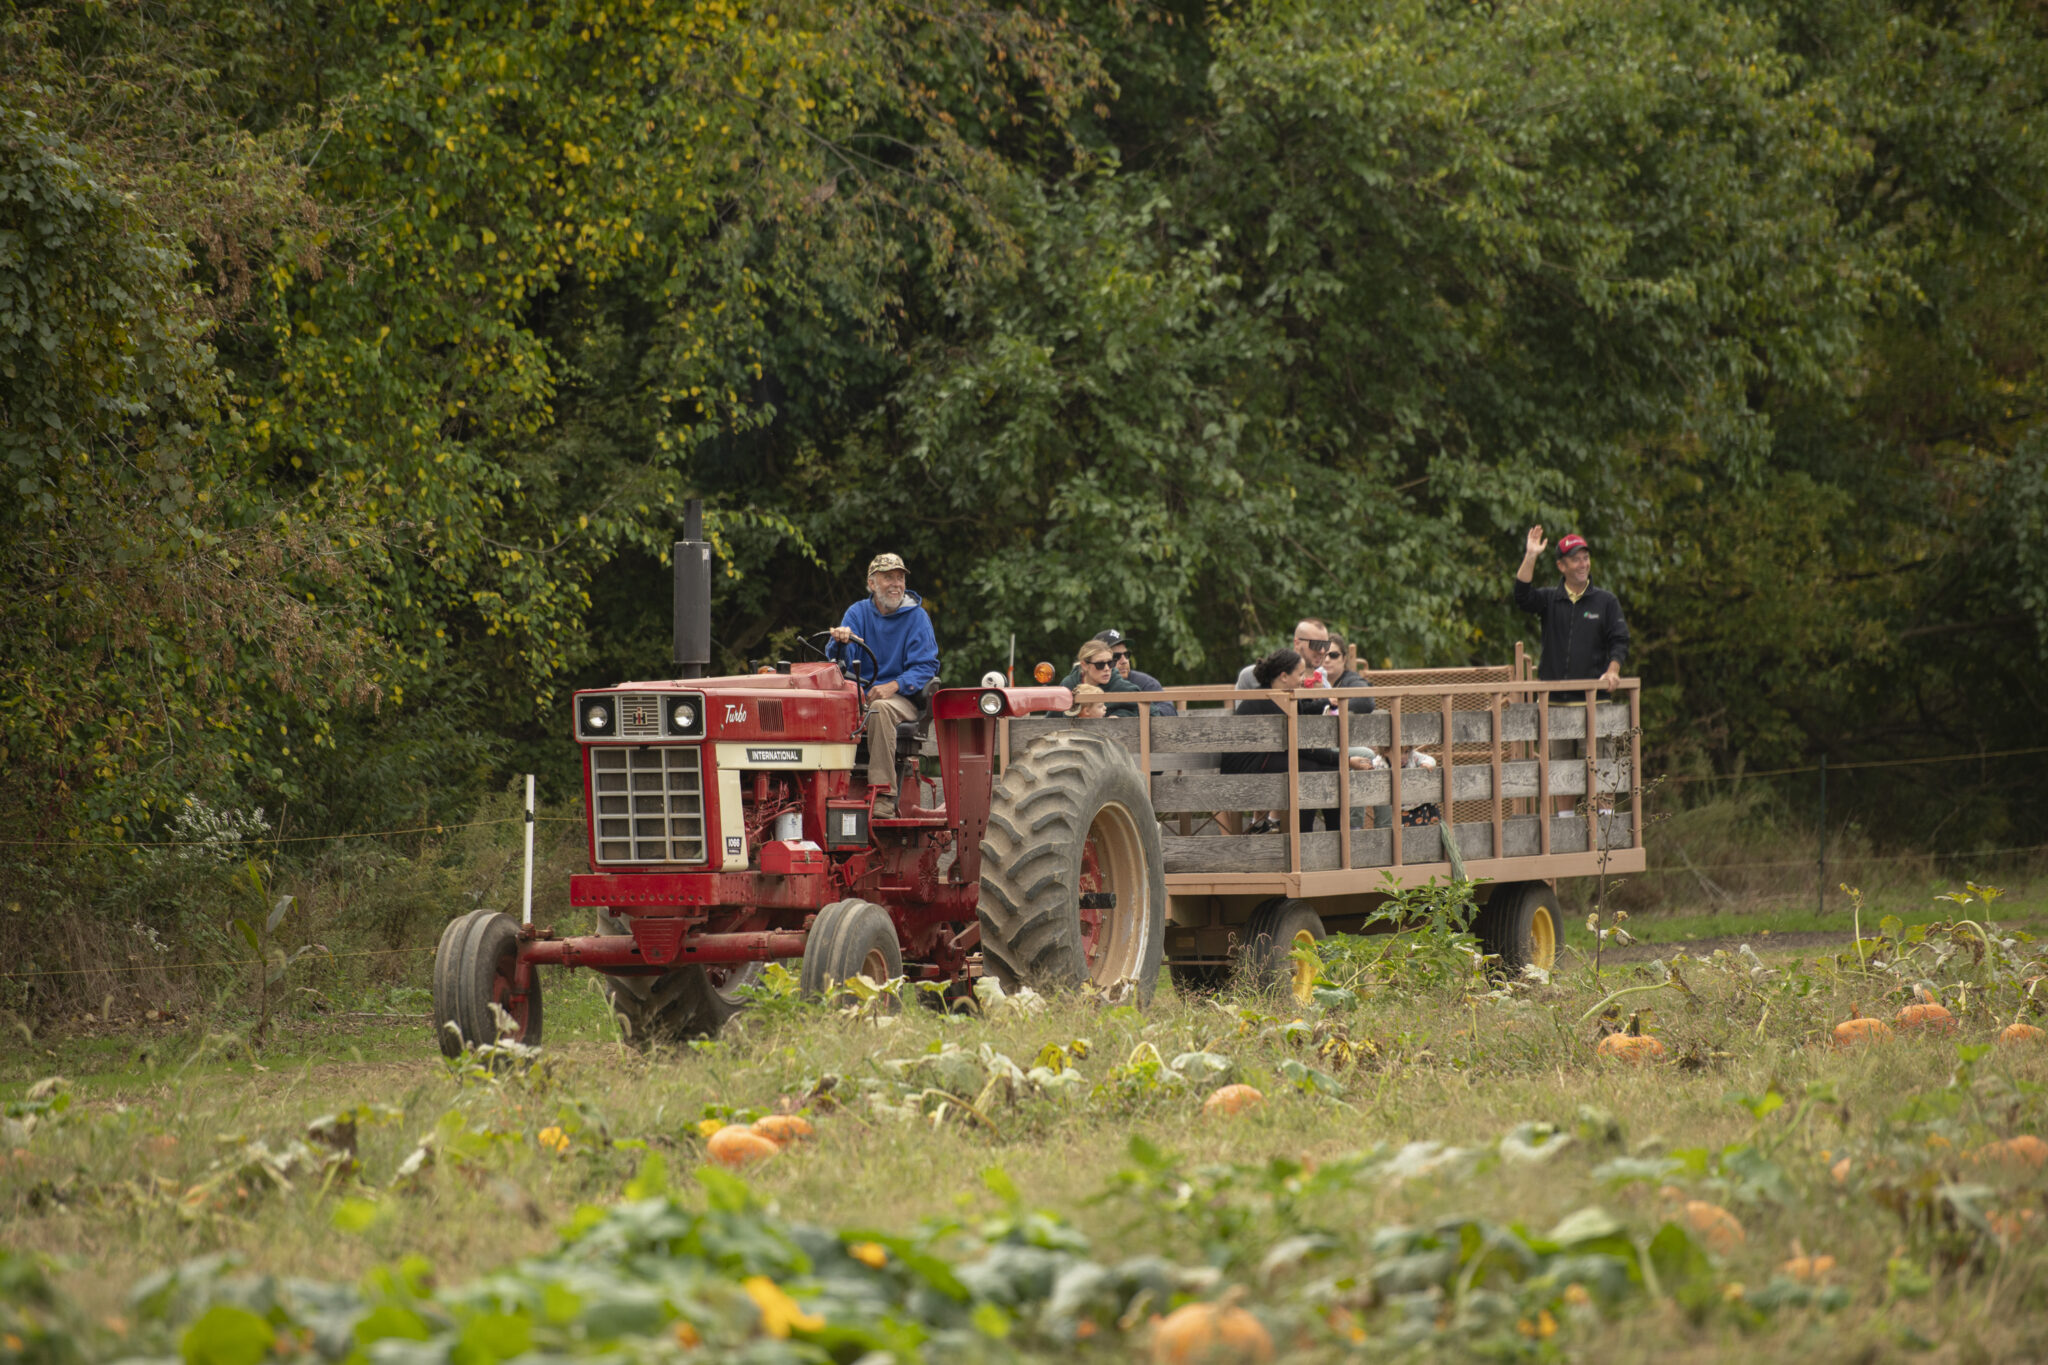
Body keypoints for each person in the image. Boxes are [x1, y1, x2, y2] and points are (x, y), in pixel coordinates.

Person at [1513, 526, 1631, 816]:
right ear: (1561, 565)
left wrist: (1613, 670)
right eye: (1575, 559)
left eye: (1585, 557)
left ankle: (1604, 831)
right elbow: (1521, 596)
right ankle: (1565, 828)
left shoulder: (1606, 601)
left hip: (1596, 702)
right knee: (1562, 773)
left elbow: (1619, 640)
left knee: (1603, 770)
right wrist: (1530, 555)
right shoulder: (1550, 600)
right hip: (1557, 703)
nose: (1583, 563)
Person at [827, 552, 941, 819]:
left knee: (879, 708)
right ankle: (828, 789)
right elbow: (836, 664)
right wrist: (839, 641)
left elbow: (926, 668)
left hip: (903, 699)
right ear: (871, 583)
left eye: (900, 578)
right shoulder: (857, 613)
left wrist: (894, 685)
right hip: (859, 696)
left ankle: (883, 795)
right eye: (888, 577)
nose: (896, 584)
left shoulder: (917, 618)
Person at [1223, 649, 1376, 834]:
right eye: (1300, 674)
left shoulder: (1280, 695)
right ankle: (1304, 840)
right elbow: (1302, 747)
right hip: (1246, 769)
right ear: (1284, 676)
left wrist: (1325, 702)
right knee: (1308, 769)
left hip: (1265, 758)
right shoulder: (1269, 699)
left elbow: (1304, 714)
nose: (1304, 679)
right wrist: (1346, 760)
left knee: (1331, 771)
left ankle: (1337, 839)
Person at [1063, 638, 1144, 717]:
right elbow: (1052, 718)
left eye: (1110, 663)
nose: (1107, 669)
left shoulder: (1122, 687)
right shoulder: (1068, 685)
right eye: (1100, 664)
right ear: (1084, 665)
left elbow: (1146, 709)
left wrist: (1120, 715)